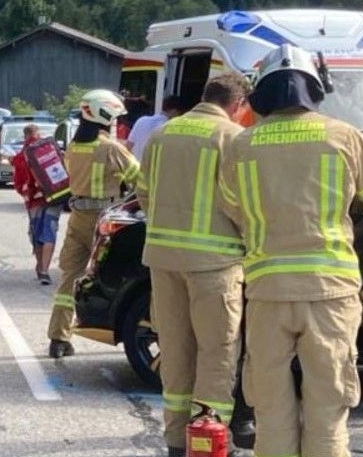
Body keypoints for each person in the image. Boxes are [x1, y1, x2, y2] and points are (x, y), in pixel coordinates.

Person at [219, 45, 363, 457]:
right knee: (327, 412)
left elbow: (232, 210)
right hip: (330, 295)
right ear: (315, 88)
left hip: (267, 294)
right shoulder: (343, 136)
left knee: (271, 414)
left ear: (262, 93)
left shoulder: (242, 145)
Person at [137, 73, 252, 457]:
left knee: (175, 350)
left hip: (163, 261)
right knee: (217, 352)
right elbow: (242, 204)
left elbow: (143, 193)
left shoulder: (162, 134)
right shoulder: (232, 137)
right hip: (215, 264)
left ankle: (174, 440)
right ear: (237, 104)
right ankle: (208, 441)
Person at [47, 89, 140, 359]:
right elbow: (140, 179)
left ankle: (58, 337)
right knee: (113, 277)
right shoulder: (110, 148)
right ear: (104, 114)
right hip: (105, 221)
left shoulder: (75, 147)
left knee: (69, 278)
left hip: (77, 218)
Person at [12, 123, 60, 285]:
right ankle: (46, 270)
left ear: (25, 136)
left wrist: (27, 193)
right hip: (54, 197)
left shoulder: (20, 157)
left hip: (34, 203)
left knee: (37, 234)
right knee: (49, 233)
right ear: (38, 134)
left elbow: (19, 184)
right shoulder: (49, 151)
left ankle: (40, 267)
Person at [126, 95, 186, 160]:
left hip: (136, 166)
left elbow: (128, 146)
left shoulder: (141, 120)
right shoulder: (170, 128)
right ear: (174, 111)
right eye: (179, 113)